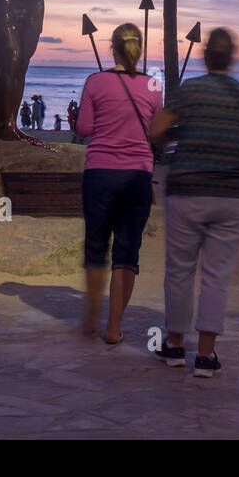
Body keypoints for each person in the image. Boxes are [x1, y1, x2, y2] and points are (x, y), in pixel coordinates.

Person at [150, 29, 239, 378]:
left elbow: (155, 130)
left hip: (187, 191)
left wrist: (180, 136)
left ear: (205, 56)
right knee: (217, 276)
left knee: (179, 271)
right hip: (231, 196)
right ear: (232, 57)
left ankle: (174, 346)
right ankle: (205, 354)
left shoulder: (189, 90)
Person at [75, 23, 163, 344]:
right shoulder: (154, 85)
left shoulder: (95, 81)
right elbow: (155, 131)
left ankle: (90, 318)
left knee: (96, 247)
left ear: (111, 48)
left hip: (99, 172)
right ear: (139, 49)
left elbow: (84, 128)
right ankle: (114, 327)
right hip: (138, 174)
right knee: (127, 252)